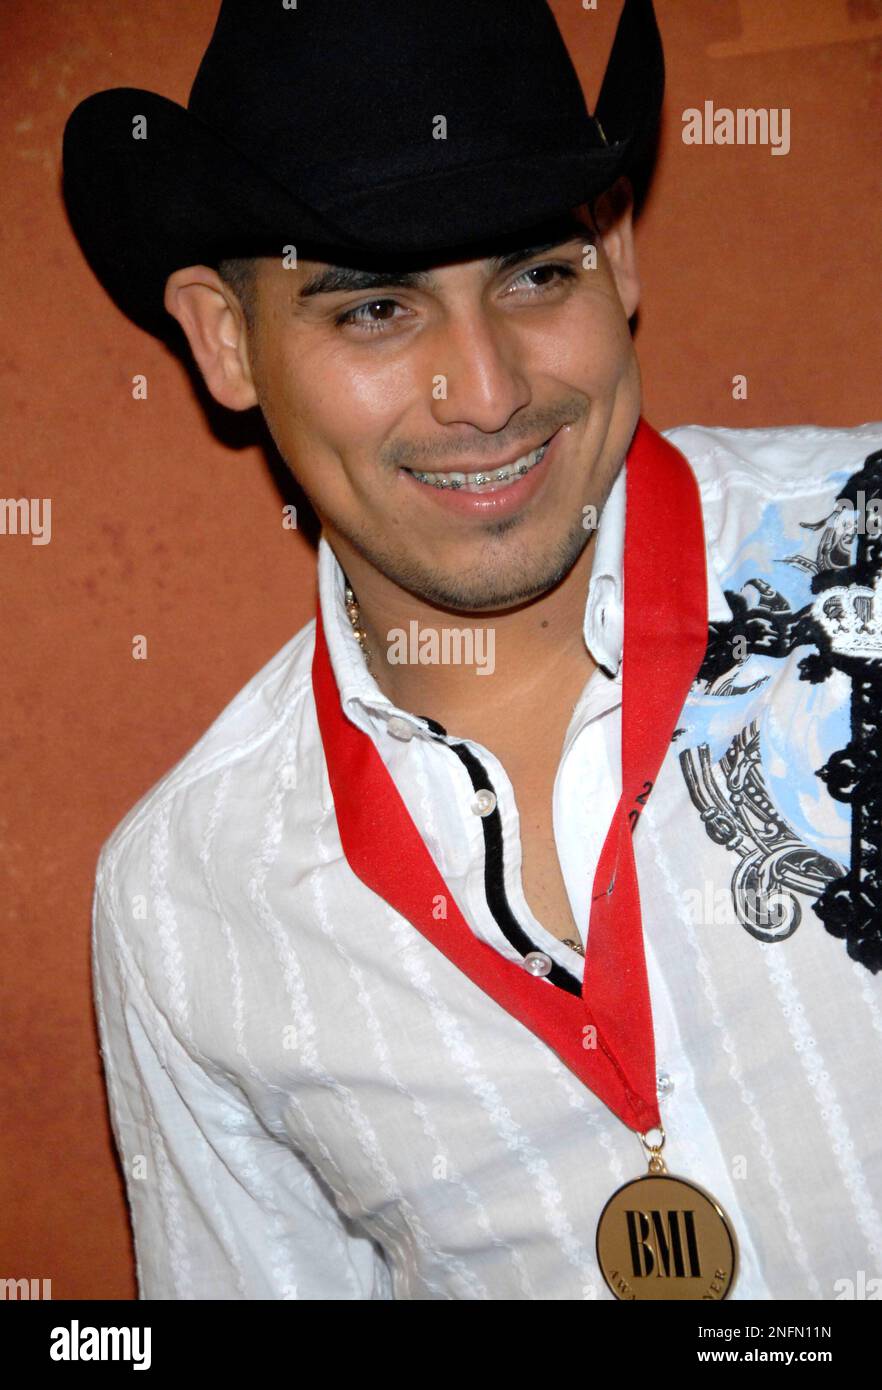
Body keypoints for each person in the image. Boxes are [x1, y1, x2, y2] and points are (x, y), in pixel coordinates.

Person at [62, 0, 881, 1301]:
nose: (486, 391)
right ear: (223, 337)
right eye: (375, 308)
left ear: (614, 254)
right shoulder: (185, 899)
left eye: (533, 274)